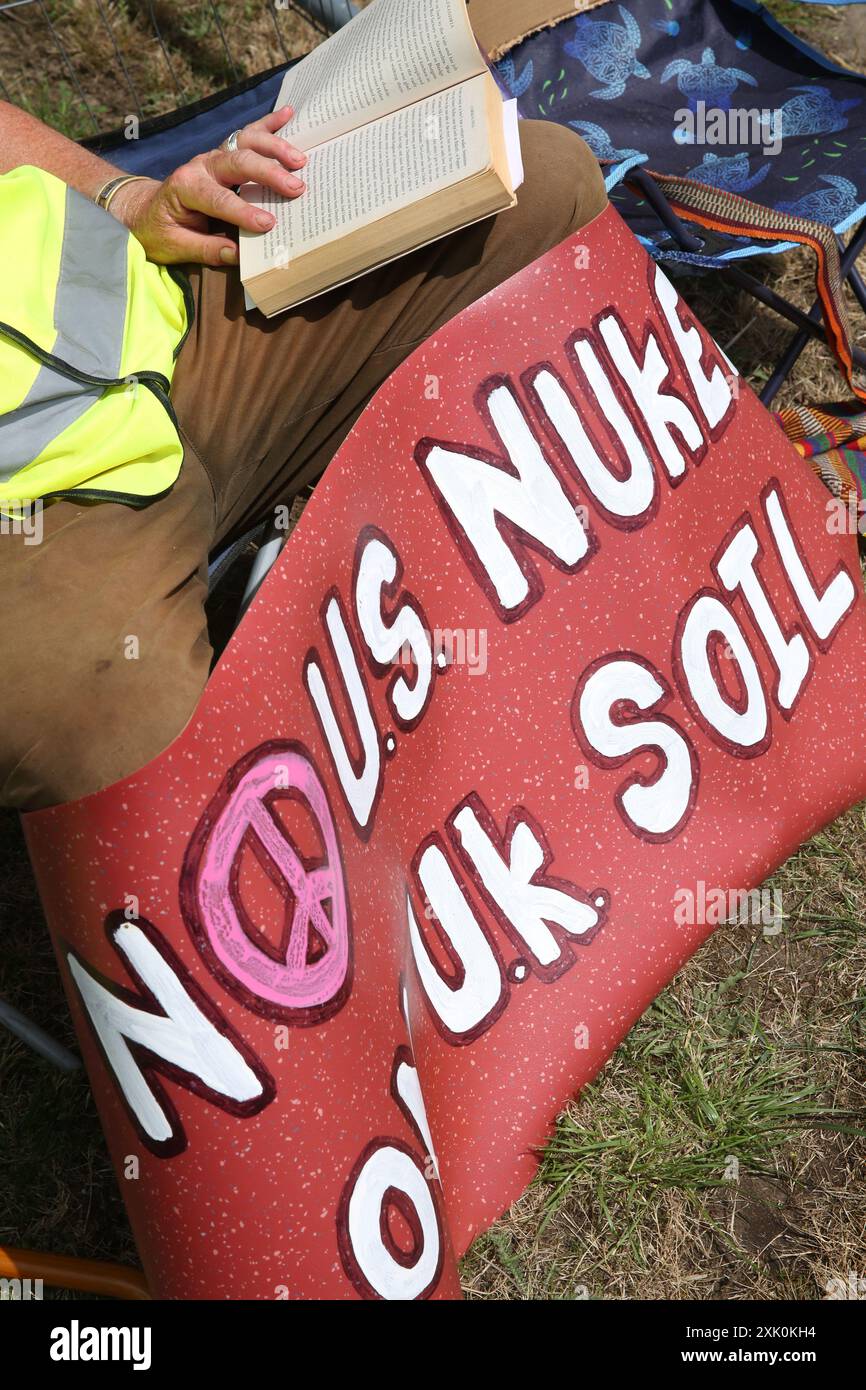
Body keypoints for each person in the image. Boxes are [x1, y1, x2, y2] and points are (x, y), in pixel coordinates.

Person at [0, 76, 606, 813]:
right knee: (156, 782)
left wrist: (122, 198)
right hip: (37, 528)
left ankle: (536, 622)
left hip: (154, 310)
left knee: (536, 181)